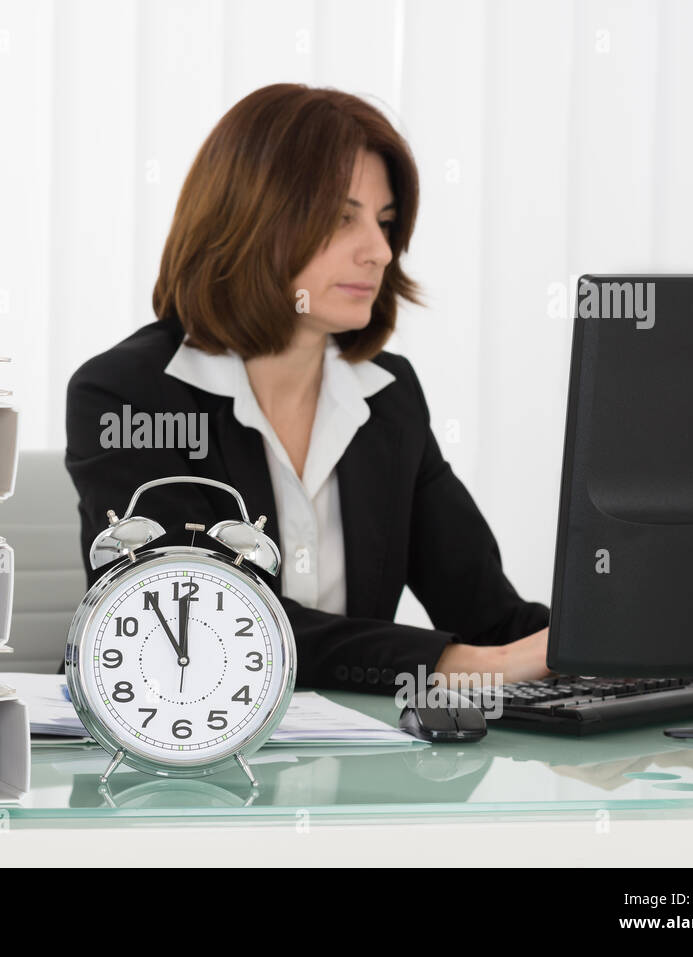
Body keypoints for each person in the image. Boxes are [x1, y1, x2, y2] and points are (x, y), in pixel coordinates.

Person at [60, 83, 552, 693]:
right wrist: (473, 668)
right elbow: (205, 624)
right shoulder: (127, 394)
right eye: (342, 217)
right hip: (172, 762)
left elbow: (491, 618)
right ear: (251, 218)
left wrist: (618, 648)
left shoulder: (386, 398)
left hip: (350, 765)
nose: (378, 250)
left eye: (385, 222)